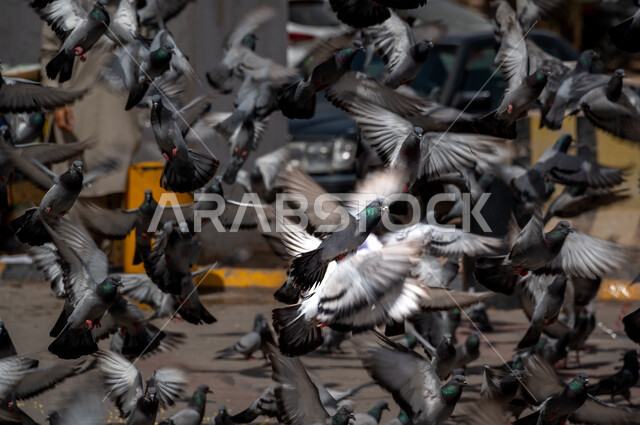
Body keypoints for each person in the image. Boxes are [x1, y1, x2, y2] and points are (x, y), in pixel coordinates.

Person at [39, 10, 143, 210]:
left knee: (112, 197)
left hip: (120, 120)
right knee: (75, 201)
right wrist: (57, 100)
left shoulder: (131, 6)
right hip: (77, 116)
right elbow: (49, 52)